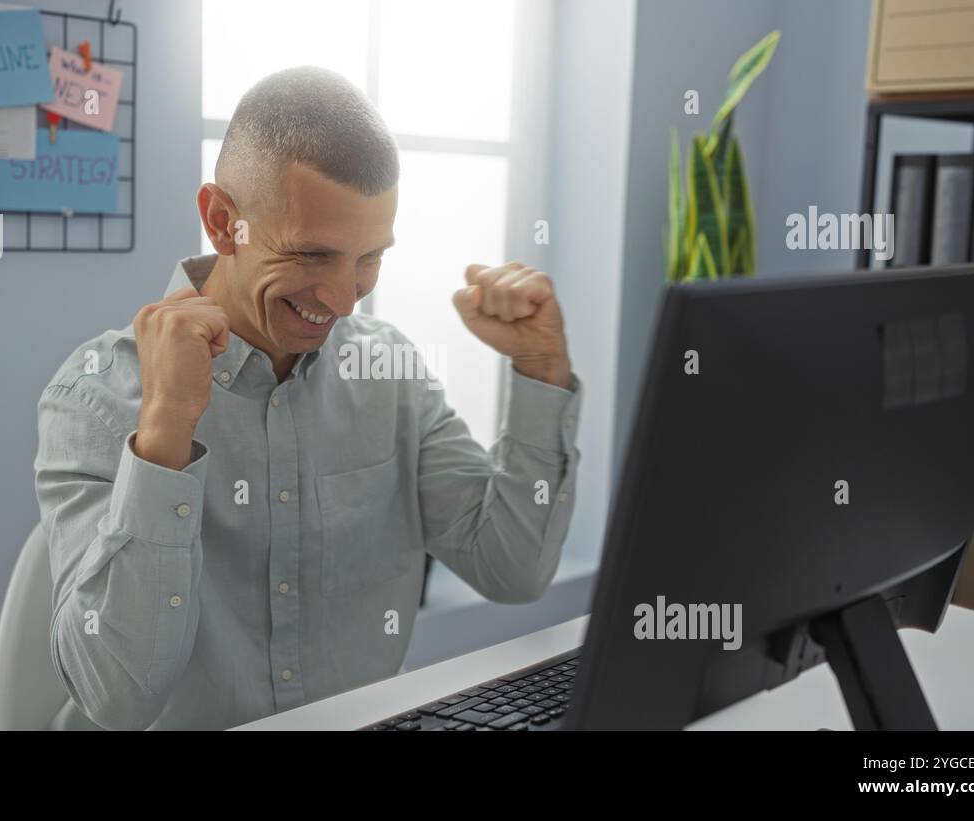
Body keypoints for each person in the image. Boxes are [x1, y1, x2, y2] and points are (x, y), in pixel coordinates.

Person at [34, 66, 583, 730]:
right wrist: (166, 429)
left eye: (370, 257)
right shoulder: (93, 397)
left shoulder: (387, 370)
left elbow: (513, 568)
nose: (347, 299)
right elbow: (117, 699)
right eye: (313, 256)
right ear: (221, 220)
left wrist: (542, 367)